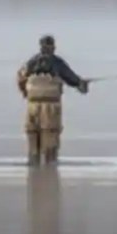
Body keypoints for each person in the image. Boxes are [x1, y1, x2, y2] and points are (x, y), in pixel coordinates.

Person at [16, 34, 89, 166]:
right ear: (53, 47)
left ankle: (33, 160)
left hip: (32, 106)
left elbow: (20, 77)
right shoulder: (57, 62)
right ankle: (50, 163)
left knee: (33, 134)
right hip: (50, 106)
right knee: (50, 134)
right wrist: (81, 84)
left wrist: (25, 92)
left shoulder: (31, 62)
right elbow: (71, 78)